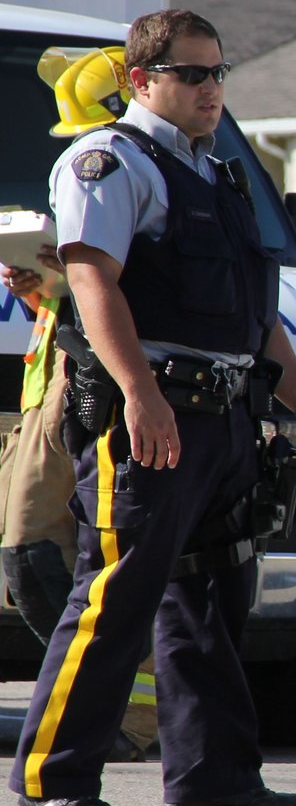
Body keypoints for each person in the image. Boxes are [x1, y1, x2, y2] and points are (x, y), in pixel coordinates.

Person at [9, 9, 296, 806]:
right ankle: (52, 780)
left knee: (211, 602)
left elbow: (257, 314)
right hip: (153, 414)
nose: (211, 89)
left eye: (219, 72)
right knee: (115, 596)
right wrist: (139, 391)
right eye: (192, 74)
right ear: (143, 80)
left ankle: (214, 781)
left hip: (225, 417)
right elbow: (92, 282)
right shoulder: (108, 162)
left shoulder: (217, 171)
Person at [1, 48, 157, 763]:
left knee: (74, 562)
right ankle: (105, 712)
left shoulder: (146, 176)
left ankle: (131, 719)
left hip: (99, 386)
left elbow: (130, 287)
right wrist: (42, 284)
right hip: (60, 385)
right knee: (40, 560)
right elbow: (88, 293)